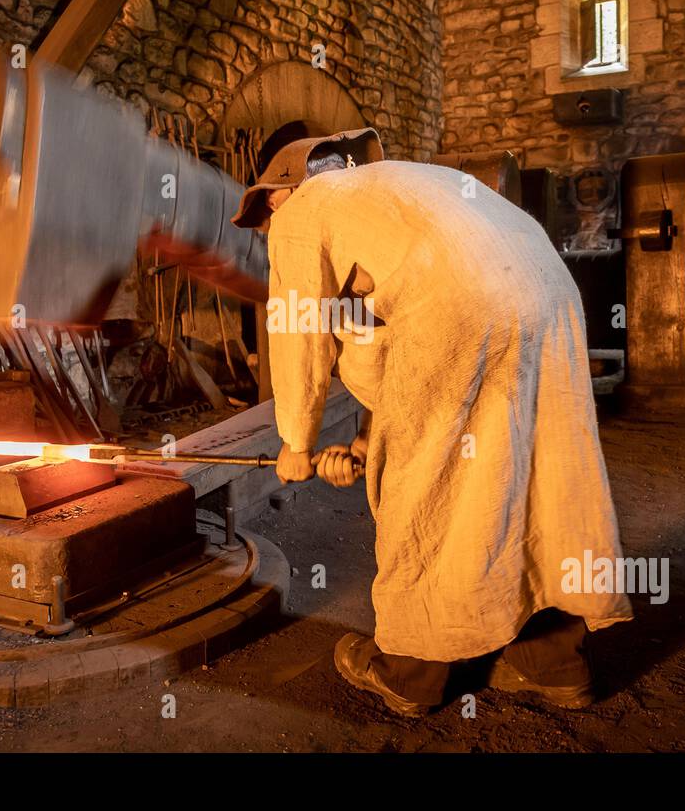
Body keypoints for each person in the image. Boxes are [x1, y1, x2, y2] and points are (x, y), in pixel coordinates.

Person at [230, 128, 632, 717]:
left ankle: (411, 672)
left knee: (426, 487)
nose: (268, 235)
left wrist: (297, 439)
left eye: (264, 219)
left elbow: (297, 331)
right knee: (537, 472)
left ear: (274, 195)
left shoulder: (303, 210)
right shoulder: (409, 188)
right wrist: (369, 438)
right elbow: (380, 348)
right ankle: (554, 660)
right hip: (550, 296)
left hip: (462, 311)